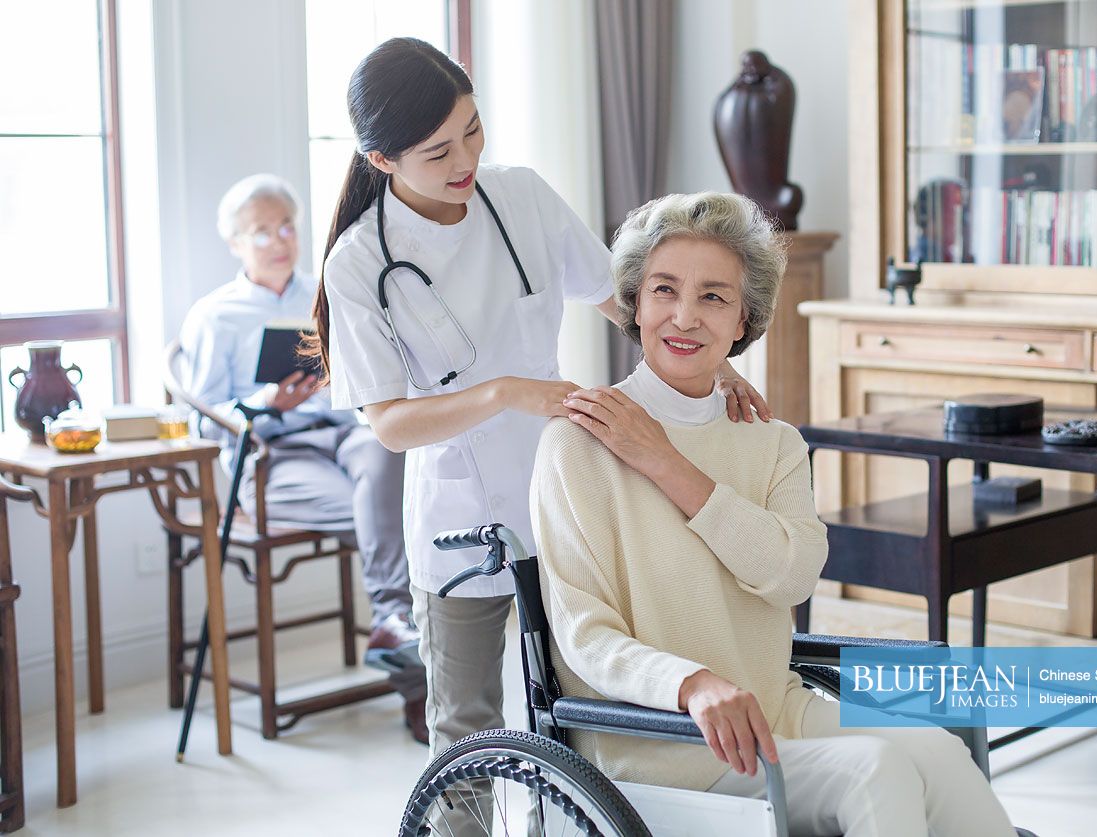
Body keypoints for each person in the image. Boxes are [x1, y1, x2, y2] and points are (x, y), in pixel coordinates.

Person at [307, 37, 771, 829]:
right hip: (459, 523)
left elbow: (618, 298)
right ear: (382, 160)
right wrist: (503, 392)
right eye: (437, 150)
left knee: (580, 710)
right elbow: (388, 424)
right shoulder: (358, 264)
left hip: (568, 497)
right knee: (467, 730)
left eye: (472, 130)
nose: (465, 159)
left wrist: (708, 352)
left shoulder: (518, 195)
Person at [531, 191, 1020, 837]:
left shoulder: (771, 440)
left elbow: (792, 578)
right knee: (873, 766)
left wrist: (664, 462)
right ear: (633, 303)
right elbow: (584, 635)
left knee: (933, 745)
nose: (683, 315)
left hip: (773, 704)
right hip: (658, 737)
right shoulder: (577, 442)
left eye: (712, 296)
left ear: (742, 320)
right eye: (663, 290)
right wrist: (693, 683)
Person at [179, 173, 428, 743]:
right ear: (237, 244)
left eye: (286, 225)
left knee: (386, 448)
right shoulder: (215, 315)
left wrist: (336, 381)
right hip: (272, 453)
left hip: (340, 432)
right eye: (262, 232)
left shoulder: (325, 291)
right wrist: (264, 401)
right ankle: (411, 658)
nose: (279, 239)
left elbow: (367, 367)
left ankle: (395, 624)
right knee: (387, 514)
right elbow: (200, 417)